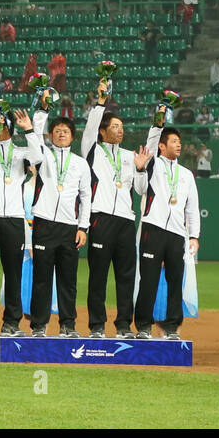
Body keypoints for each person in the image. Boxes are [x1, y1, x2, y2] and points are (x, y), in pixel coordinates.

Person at [79, 77, 150, 338]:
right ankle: (97, 326)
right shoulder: (93, 150)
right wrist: (100, 102)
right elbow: (88, 130)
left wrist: (141, 169)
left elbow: (141, 188)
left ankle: (123, 326)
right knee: (98, 276)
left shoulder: (131, 156)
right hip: (100, 220)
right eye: (115, 126)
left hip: (124, 222)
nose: (120, 130)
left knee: (126, 277)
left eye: (122, 127)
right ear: (102, 130)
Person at [25, 92, 91, 337]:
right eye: (57, 131)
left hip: (69, 228)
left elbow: (86, 198)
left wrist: (83, 227)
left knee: (67, 281)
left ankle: (67, 325)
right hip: (43, 224)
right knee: (41, 279)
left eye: (66, 131)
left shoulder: (80, 164)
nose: (61, 133)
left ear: (72, 137)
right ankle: (39, 326)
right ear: (50, 136)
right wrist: (42, 110)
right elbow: (35, 137)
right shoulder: (43, 156)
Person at [0, 106, 41, 336]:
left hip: (14, 220)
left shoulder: (22, 153)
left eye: (3, 123)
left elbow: (38, 156)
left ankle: (12, 322)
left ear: (11, 127)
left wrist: (29, 130)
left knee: (14, 274)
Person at [136, 113, 200, 339]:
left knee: (175, 281)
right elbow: (149, 147)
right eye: (173, 141)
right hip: (152, 229)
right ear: (162, 146)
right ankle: (143, 326)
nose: (179, 144)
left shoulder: (186, 175)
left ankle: (172, 326)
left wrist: (194, 235)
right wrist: (157, 124)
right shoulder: (152, 165)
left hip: (176, 234)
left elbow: (192, 207)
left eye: (180, 142)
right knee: (149, 279)